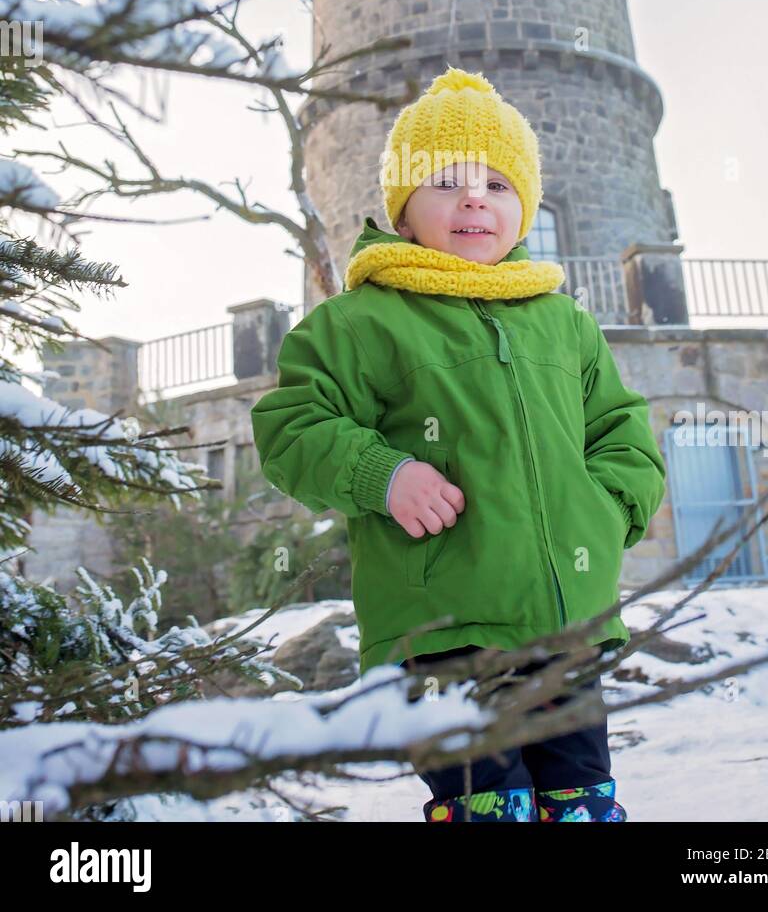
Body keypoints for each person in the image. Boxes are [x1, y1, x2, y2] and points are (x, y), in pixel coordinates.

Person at [251, 65, 667, 822]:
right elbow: (291, 426)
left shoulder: (563, 320)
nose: (475, 197)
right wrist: (383, 473)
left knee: (581, 805)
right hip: (446, 634)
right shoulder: (363, 322)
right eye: (446, 181)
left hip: (564, 627)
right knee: (488, 808)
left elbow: (621, 431)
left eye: (498, 185)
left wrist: (606, 511)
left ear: (524, 208)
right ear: (404, 211)